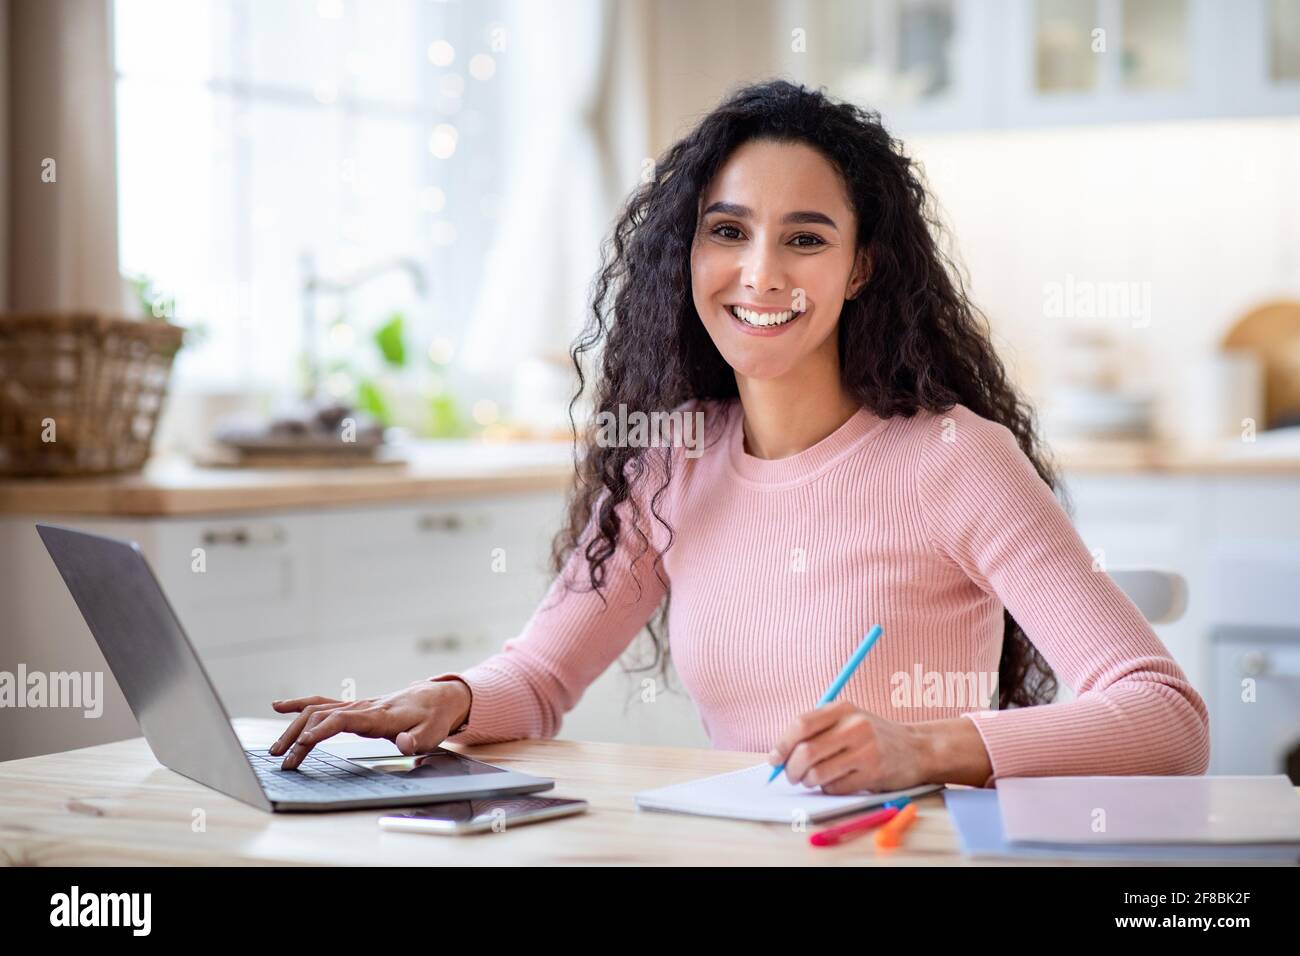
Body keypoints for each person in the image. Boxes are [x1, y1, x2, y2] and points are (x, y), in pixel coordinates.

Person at [268, 80, 1209, 792]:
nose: (759, 274)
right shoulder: (670, 459)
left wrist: (923, 748)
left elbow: (1168, 721)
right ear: (689, 254)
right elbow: (543, 675)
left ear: (859, 271)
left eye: (805, 239)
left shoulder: (954, 461)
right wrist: (446, 701)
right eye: (728, 230)